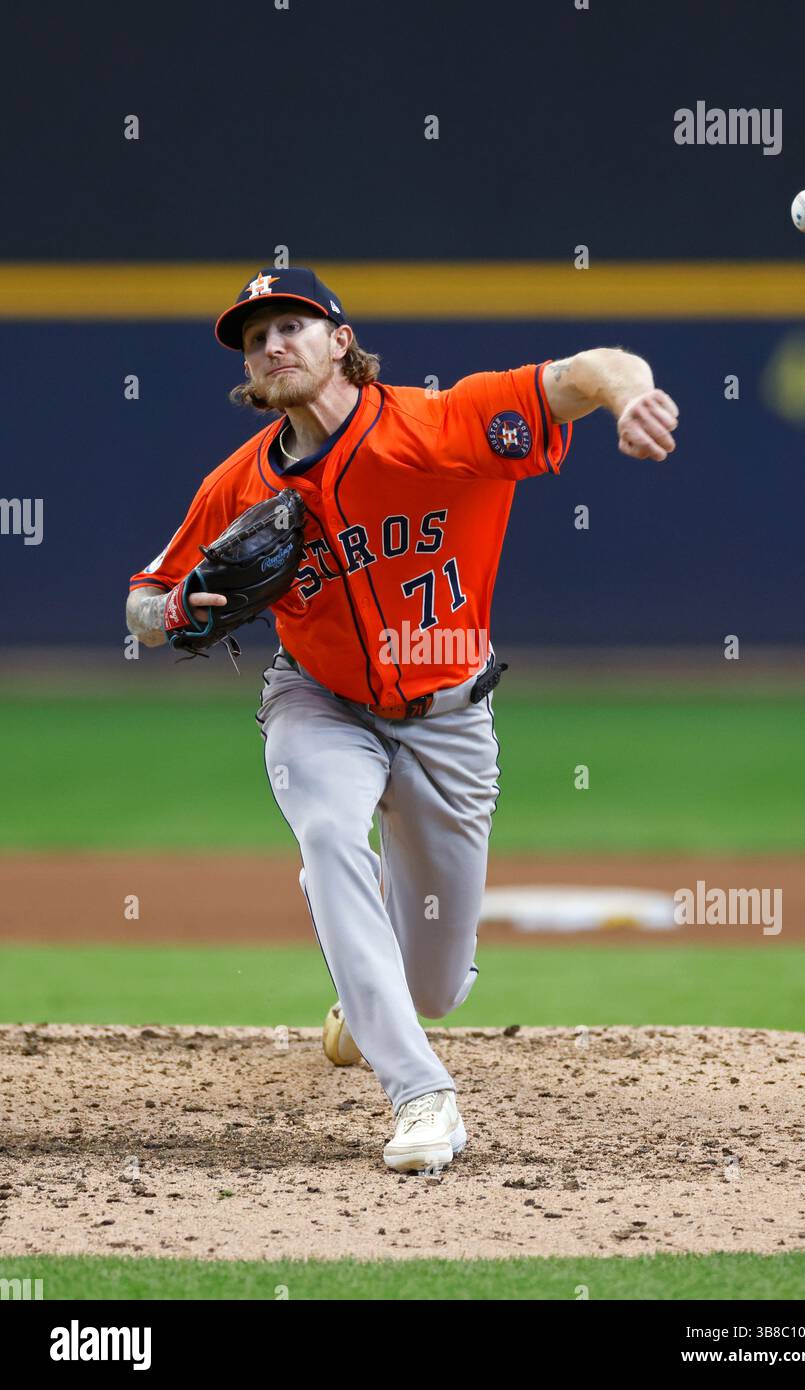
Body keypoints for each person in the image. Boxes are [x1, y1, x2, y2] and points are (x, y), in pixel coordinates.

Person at [126, 266, 679, 1173]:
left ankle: (366, 995)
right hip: (317, 700)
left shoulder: (444, 423)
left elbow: (590, 368)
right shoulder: (237, 485)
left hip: (450, 721)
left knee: (435, 984)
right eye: (254, 335)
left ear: (341, 340)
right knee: (329, 832)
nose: (271, 343)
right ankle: (423, 1097)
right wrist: (179, 613)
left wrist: (631, 399)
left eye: (291, 324)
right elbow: (144, 606)